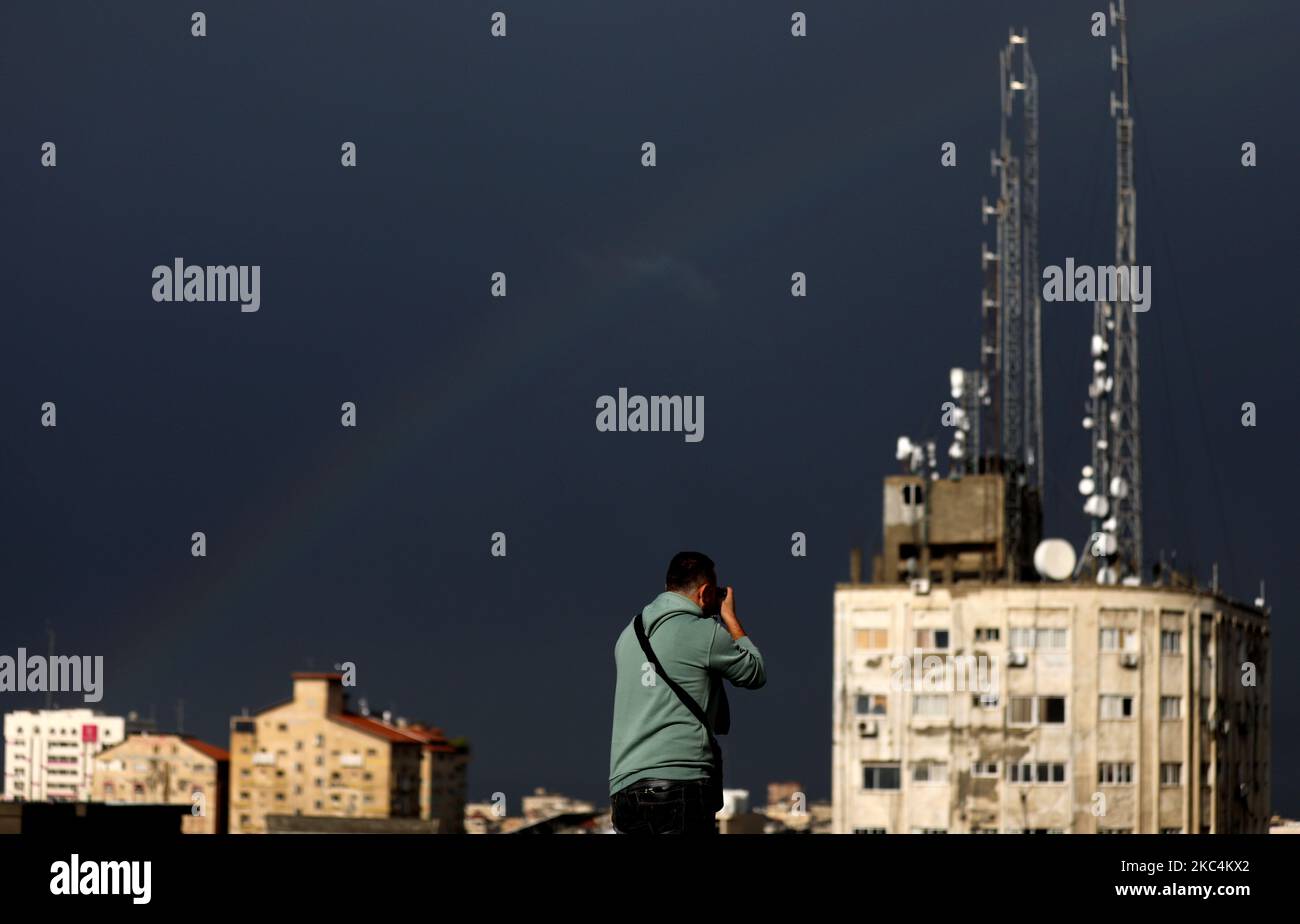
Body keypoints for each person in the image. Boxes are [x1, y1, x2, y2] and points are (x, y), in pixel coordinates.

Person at [608, 551, 766, 833]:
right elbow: (755, 672)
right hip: (679, 786)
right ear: (706, 592)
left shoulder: (628, 635)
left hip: (625, 790)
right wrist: (730, 618)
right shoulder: (706, 632)